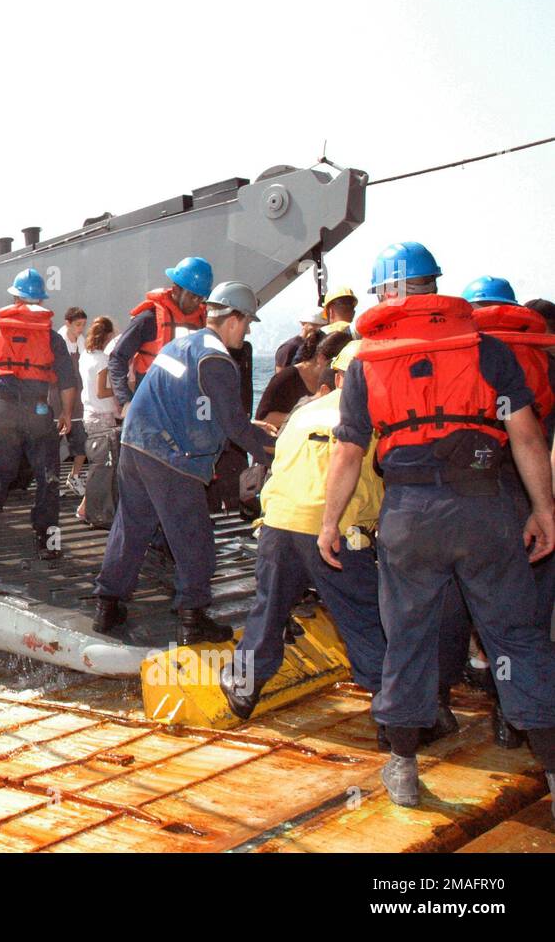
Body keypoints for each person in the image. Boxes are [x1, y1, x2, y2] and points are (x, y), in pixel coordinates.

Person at [321, 241, 555, 813]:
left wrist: (330, 524)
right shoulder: (488, 349)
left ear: (391, 291)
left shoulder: (367, 359)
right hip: (486, 511)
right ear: (432, 286)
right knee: (517, 638)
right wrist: (545, 510)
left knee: (409, 636)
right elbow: (527, 437)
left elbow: (349, 453)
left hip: (409, 515)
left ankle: (402, 767)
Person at [94, 282, 276, 641]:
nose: (249, 330)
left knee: (132, 527)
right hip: (170, 457)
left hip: (135, 445)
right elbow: (234, 426)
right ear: (234, 319)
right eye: (248, 322)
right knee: (194, 537)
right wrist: (276, 448)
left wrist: (246, 426)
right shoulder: (218, 360)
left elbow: (190, 401)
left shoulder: (182, 344)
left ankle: (108, 606)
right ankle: (193, 619)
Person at [222, 338, 385, 721]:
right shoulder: (375, 417)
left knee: (270, 606)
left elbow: (279, 464)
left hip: (279, 522)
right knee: (363, 615)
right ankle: (394, 710)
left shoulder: (303, 411)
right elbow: (378, 480)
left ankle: (244, 686)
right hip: (334, 529)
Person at [437, 275, 555, 747]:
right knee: (522, 615)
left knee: (448, 600)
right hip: (528, 490)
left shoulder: (456, 351)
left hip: (464, 492)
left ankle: (435, 704)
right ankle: (519, 717)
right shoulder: (542, 357)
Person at [0, 268, 80, 560]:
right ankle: (47, 541)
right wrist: (67, 414)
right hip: (39, 409)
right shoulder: (51, 337)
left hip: (4, 407)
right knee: (48, 474)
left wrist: (2, 404)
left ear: (16, 298)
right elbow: (68, 383)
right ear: (40, 301)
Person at [106, 255, 212, 410]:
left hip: (188, 408)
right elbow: (117, 358)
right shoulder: (148, 319)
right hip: (152, 406)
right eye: (192, 296)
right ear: (176, 289)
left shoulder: (204, 324)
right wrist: (126, 401)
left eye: (200, 297)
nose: (196, 302)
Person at [76, 316, 119, 519]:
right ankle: (88, 509)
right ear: (107, 335)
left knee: (99, 464)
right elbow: (102, 392)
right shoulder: (103, 359)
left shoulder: (85, 355)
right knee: (103, 466)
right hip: (103, 415)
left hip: (89, 413)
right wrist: (122, 389)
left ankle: (87, 507)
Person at [255, 331, 327, 428]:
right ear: (321, 359)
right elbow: (263, 418)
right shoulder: (286, 377)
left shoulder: (330, 379)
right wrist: (306, 417)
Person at [57, 307, 90, 495]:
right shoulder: (58, 341)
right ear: (67, 323)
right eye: (78, 325)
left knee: (82, 442)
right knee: (52, 444)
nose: (81, 329)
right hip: (58, 399)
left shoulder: (81, 342)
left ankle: (74, 476)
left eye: (83, 325)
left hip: (78, 400)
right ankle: (52, 482)